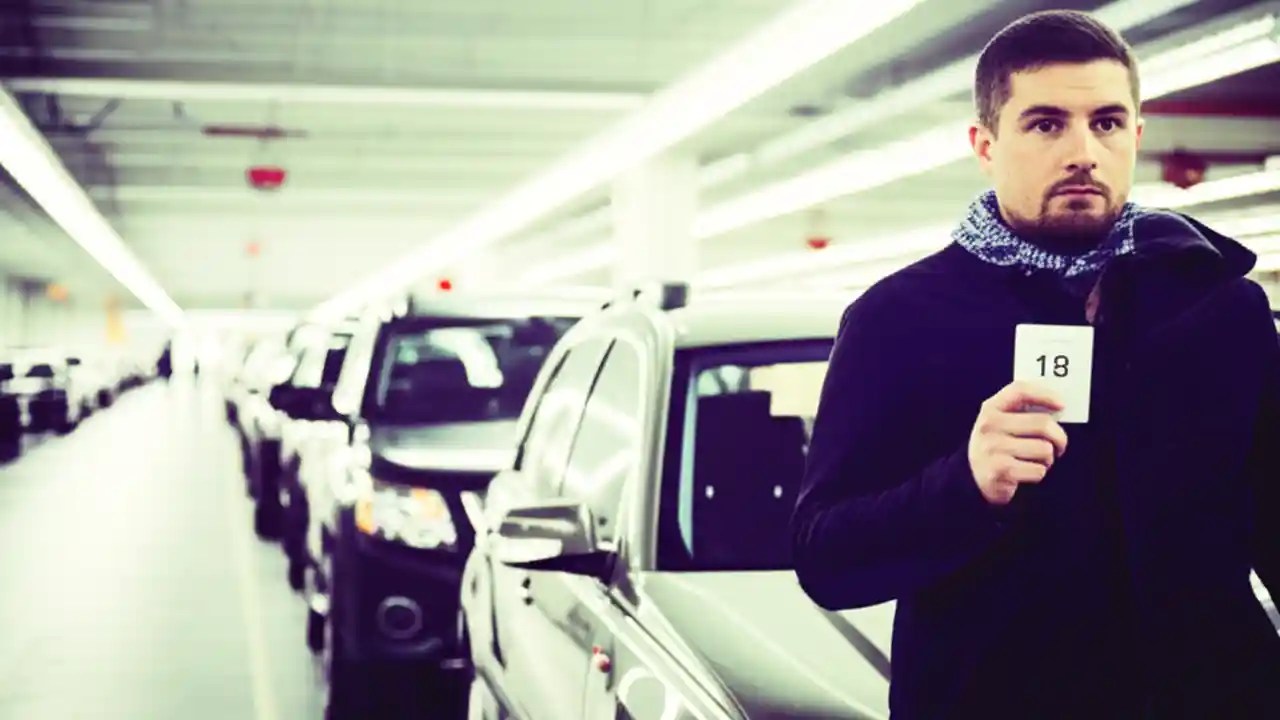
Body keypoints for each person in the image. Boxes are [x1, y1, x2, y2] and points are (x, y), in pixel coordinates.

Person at [792, 10, 1280, 719]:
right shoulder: (897, 320)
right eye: (1046, 124)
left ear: (1136, 136)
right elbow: (825, 558)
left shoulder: (1220, 310)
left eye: (1107, 123)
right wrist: (965, 483)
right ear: (985, 145)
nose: (1083, 150)